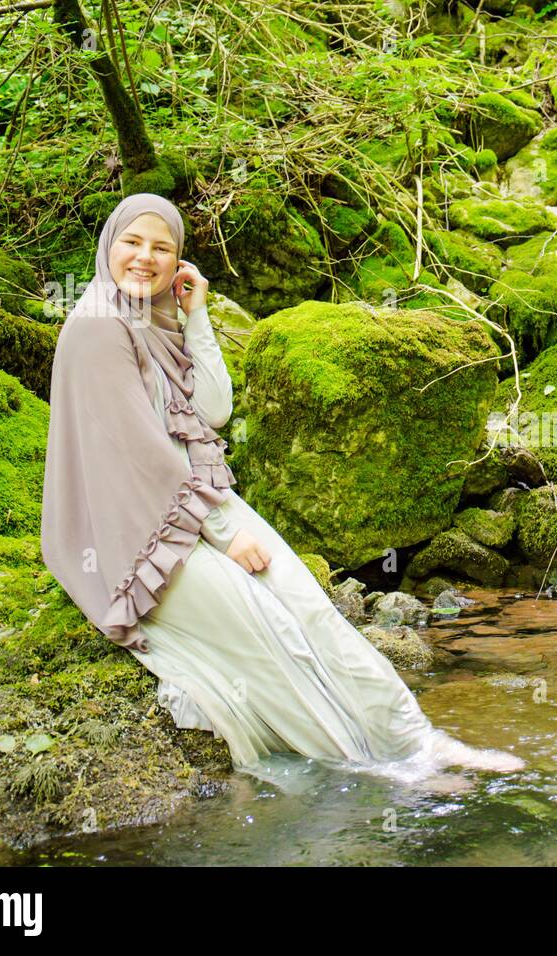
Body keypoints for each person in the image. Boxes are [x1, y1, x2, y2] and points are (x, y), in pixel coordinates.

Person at [40, 193, 523, 778]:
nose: (145, 258)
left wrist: (196, 317)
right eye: (132, 243)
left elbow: (213, 410)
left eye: (162, 248)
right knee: (271, 635)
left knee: (311, 609)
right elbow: (138, 456)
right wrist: (222, 537)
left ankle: (414, 739)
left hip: (188, 502)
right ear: (108, 247)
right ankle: (373, 768)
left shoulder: (154, 320)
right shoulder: (98, 329)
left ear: (178, 262)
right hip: (133, 536)